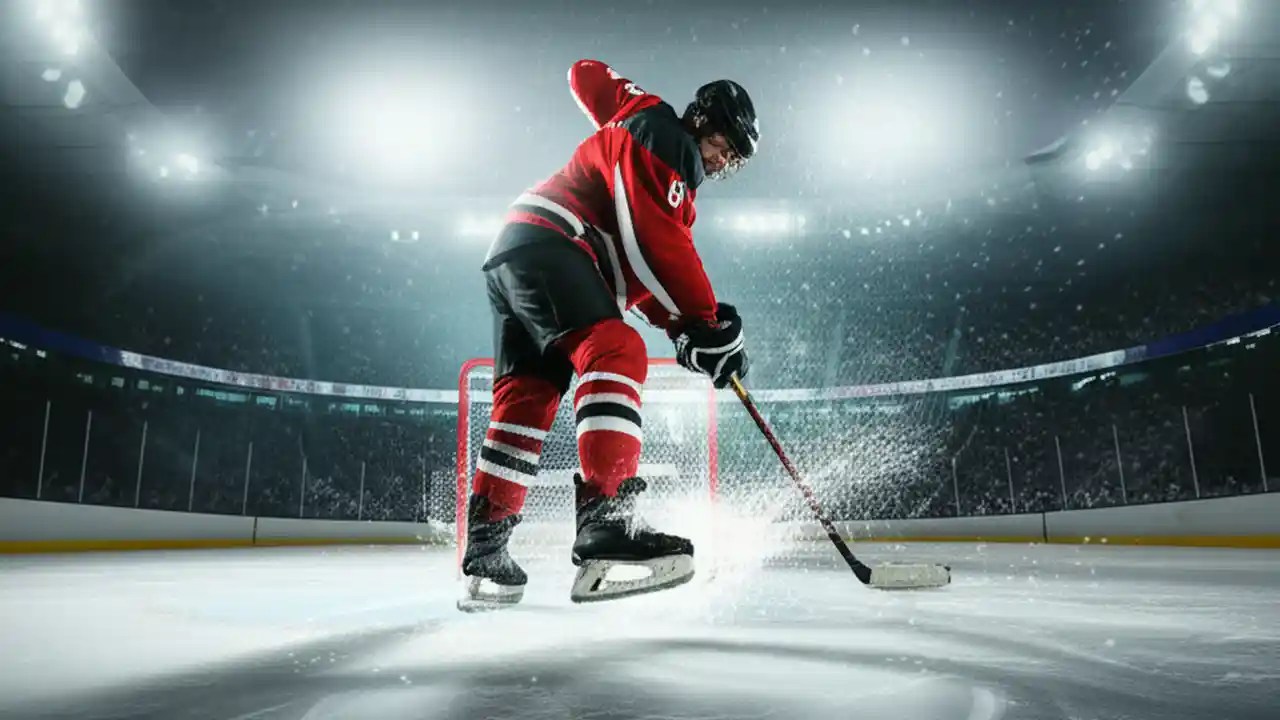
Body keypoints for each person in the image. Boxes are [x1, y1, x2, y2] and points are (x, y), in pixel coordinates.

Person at [459, 59, 758, 610]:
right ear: (700, 120)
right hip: (555, 240)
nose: (722, 159)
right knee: (617, 348)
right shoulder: (666, 142)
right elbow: (663, 250)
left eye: (733, 156)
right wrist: (710, 323)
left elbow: (585, 74)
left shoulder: (638, 133)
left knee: (527, 399)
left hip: (519, 251)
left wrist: (688, 332)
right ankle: (607, 519)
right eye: (724, 141)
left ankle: (486, 546)